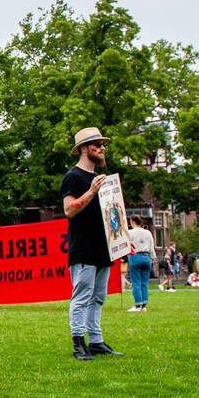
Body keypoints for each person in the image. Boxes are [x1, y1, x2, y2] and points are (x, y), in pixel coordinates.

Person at [62, 127, 122, 360]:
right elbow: (69, 209)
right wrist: (91, 191)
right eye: (97, 145)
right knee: (82, 296)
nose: (102, 148)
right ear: (84, 149)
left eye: (103, 144)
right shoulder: (74, 177)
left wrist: (123, 239)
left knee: (98, 297)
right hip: (84, 247)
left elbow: (113, 214)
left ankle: (96, 341)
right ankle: (78, 342)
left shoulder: (102, 179)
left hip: (103, 246)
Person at [126, 215, 155, 312]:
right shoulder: (148, 232)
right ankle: (144, 305)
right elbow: (152, 246)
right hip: (147, 257)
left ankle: (138, 305)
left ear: (133, 222)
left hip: (135, 257)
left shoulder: (130, 232)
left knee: (136, 282)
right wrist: (152, 258)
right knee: (144, 282)